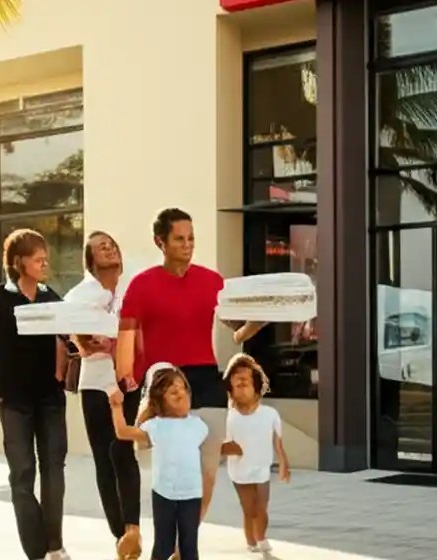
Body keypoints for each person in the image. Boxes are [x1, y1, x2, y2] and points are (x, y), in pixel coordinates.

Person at [117, 208, 237, 521]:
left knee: (207, 472)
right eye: (179, 239)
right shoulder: (141, 285)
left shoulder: (212, 281)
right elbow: (126, 335)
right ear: (161, 242)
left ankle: (184, 544)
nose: (187, 244)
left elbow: (237, 328)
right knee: (172, 475)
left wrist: (263, 317)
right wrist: (125, 378)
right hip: (165, 382)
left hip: (206, 379)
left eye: (191, 238)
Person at [0, 228, 72, 560]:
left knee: (54, 469)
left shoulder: (52, 298)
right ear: (19, 262)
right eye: (38, 257)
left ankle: (54, 545)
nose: (45, 262)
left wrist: (72, 357)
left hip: (49, 397)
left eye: (45, 256)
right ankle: (36, 551)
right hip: (12, 398)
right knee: (22, 473)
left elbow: (66, 342)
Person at [66, 231, 143, 560]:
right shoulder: (79, 294)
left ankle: (132, 527)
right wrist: (82, 342)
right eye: (100, 247)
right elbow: (70, 331)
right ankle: (119, 534)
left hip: (127, 380)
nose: (109, 248)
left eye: (111, 243)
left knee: (124, 449)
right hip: (95, 381)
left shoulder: (133, 285)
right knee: (103, 457)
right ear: (90, 259)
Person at [109, 367, 206, 560]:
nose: (180, 393)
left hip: (192, 494)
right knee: (163, 544)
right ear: (160, 401)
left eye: (182, 388)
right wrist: (116, 408)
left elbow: (216, 448)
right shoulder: (155, 426)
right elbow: (123, 432)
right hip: (164, 494)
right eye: (172, 391)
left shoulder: (198, 425)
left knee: (189, 546)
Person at [221, 353, 290, 554]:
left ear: (257, 387)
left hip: (262, 468)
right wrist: (228, 447)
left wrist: (284, 463)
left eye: (246, 382)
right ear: (231, 390)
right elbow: (219, 444)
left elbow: (278, 443)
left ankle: (261, 536)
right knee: (249, 508)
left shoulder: (270, 414)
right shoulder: (229, 417)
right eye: (237, 384)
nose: (241, 386)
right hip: (239, 471)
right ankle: (251, 541)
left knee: (262, 507)